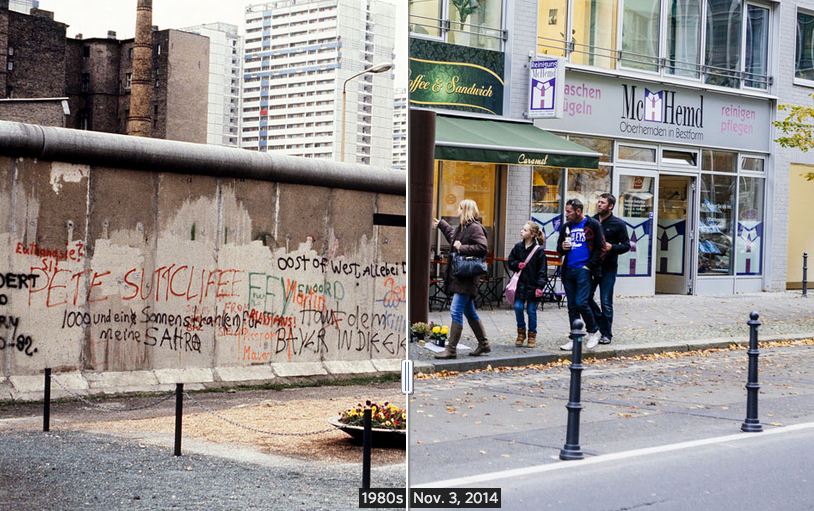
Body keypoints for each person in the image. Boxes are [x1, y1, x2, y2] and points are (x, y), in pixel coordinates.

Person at [432, 199, 489, 359]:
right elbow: (453, 238)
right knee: (469, 311)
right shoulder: (464, 228)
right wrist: (442, 225)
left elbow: (483, 247)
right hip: (461, 277)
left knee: (456, 310)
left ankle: (451, 349)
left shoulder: (475, 228)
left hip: (466, 277)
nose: (457, 210)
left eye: (459, 207)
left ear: (465, 210)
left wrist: (461, 248)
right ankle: (484, 344)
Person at [556, 198, 605, 351]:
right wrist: (563, 247)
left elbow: (601, 248)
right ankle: (575, 337)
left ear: (578, 211)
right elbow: (559, 248)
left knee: (581, 302)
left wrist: (588, 266)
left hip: (584, 270)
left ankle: (593, 332)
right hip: (569, 270)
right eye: (566, 211)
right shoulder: (566, 226)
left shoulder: (593, 224)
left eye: (569, 212)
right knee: (571, 306)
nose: (566, 215)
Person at [589, 193, 630, 345]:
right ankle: (601, 323)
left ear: (610, 206)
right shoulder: (591, 221)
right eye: (598, 202)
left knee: (606, 302)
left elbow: (627, 245)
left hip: (608, 268)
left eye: (602, 202)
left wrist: (612, 247)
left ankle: (606, 334)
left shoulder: (618, 224)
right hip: (592, 267)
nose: (599, 204)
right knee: (585, 298)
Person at [507, 221, 547, 348]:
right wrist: (516, 264)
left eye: (525, 230)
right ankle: (521, 333)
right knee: (518, 307)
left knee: (531, 310)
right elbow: (510, 261)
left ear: (532, 234)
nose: (521, 231)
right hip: (520, 285)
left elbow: (542, 271)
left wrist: (540, 287)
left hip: (533, 286)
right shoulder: (518, 247)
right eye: (522, 229)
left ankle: (532, 335)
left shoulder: (539, 251)